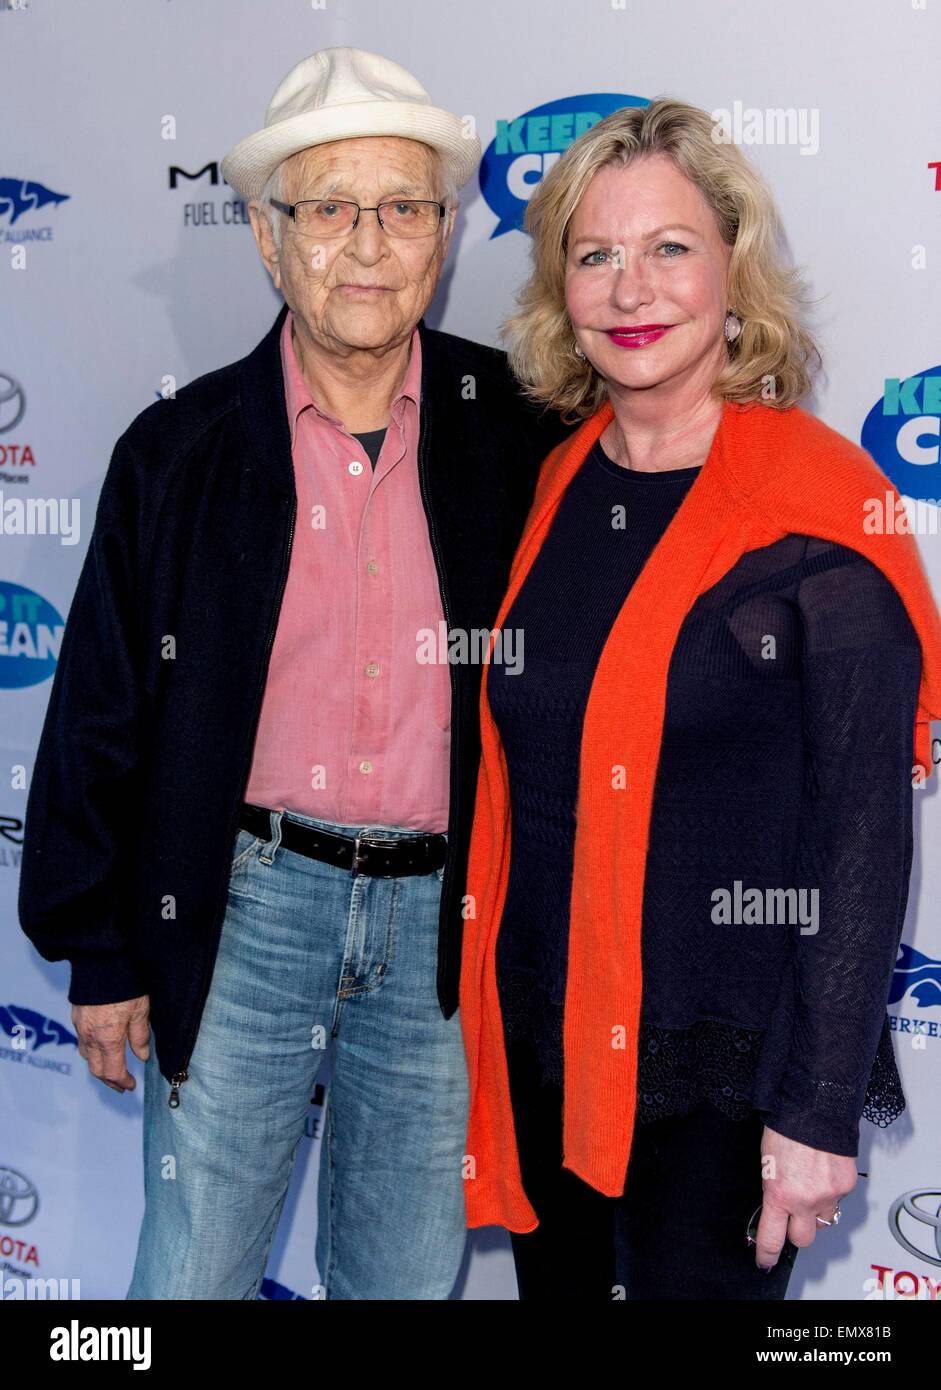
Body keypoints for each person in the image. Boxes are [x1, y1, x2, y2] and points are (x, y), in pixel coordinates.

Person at [17, 47, 569, 1300]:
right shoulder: (177, 452)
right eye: (328, 208)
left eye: (403, 207)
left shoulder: (519, 430)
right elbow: (101, 709)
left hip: (442, 933)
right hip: (241, 911)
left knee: (401, 1280)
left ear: (441, 239)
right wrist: (100, 953)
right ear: (269, 242)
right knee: (191, 1278)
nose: (367, 244)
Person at [457, 97, 941, 1300]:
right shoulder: (557, 486)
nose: (632, 290)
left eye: (668, 249)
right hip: (545, 1051)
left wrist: (818, 1111)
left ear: (734, 269)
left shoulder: (820, 519)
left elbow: (863, 842)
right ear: (557, 288)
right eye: (594, 254)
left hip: (725, 1083)